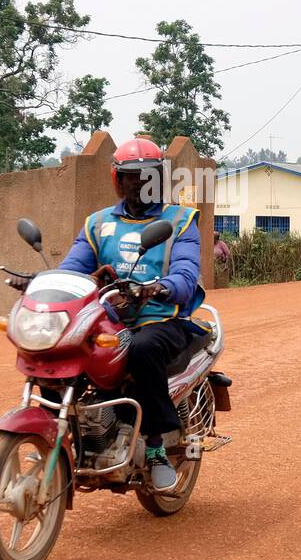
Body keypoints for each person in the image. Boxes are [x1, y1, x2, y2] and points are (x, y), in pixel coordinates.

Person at [57, 137, 203, 492]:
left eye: (148, 176)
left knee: (141, 348)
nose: (139, 184)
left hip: (161, 319)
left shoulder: (180, 222)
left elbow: (186, 274)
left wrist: (159, 287)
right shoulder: (97, 224)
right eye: (131, 177)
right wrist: (50, 280)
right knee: (63, 344)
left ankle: (156, 444)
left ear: (161, 179)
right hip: (108, 321)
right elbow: (72, 268)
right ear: (117, 180)